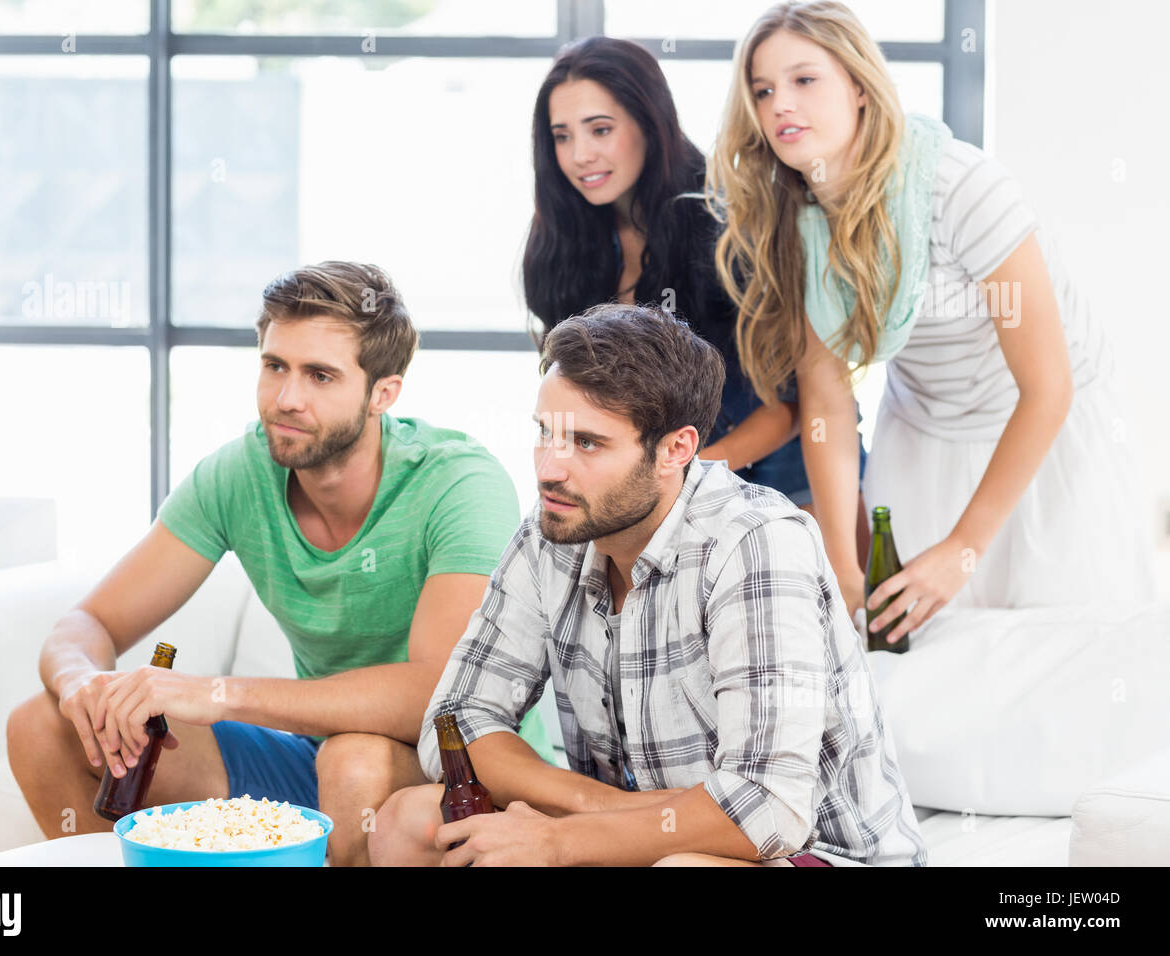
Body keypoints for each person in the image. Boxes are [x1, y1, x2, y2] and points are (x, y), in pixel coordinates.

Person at [6, 261, 552, 866]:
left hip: (451, 765)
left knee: (355, 758)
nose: (286, 399)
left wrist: (220, 693)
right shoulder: (240, 472)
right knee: (41, 726)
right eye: (274, 367)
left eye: (320, 375)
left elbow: (438, 691)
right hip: (312, 760)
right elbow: (86, 626)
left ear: (383, 393)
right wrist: (84, 684)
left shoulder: (458, 482)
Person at [369, 303, 927, 867]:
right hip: (631, 833)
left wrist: (559, 841)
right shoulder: (553, 529)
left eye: (587, 443)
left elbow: (768, 811)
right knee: (409, 823)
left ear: (676, 449)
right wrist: (596, 804)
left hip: (809, 853)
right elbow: (458, 719)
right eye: (546, 433)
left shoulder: (755, 542)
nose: (548, 469)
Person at [706, 1, 1155, 642]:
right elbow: (827, 406)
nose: (780, 103)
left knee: (1058, 650)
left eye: (805, 80)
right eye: (763, 89)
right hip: (924, 435)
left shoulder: (961, 187)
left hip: (1040, 432)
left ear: (859, 86)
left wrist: (964, 548)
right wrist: (842, 565)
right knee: (925, 661)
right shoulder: (797, 218)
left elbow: (1048, 387)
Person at [522, 35, 870, 562]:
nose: (580, 155)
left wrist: (676, 477)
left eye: (600, 129)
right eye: (562, 136)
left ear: (649, 121)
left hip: (787, 479)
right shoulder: (562, 246)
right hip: (658, 490)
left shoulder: (727, 225)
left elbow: (791, 405)